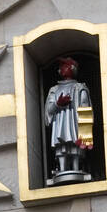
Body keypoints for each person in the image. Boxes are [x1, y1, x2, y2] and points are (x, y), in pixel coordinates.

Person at [44, 55, 92, 183]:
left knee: (75, 146)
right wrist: (57, 104)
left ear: (72, 68)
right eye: (61, 67)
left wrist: (86, 135)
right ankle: (62, 169)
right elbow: (48, 111)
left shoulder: (79, 88)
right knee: (61, 148)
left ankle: (76, 167)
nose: (61, 69)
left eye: (64, 66)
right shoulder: (54, 90)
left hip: (73, 122)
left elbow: (86, 110)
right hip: (60, 122)